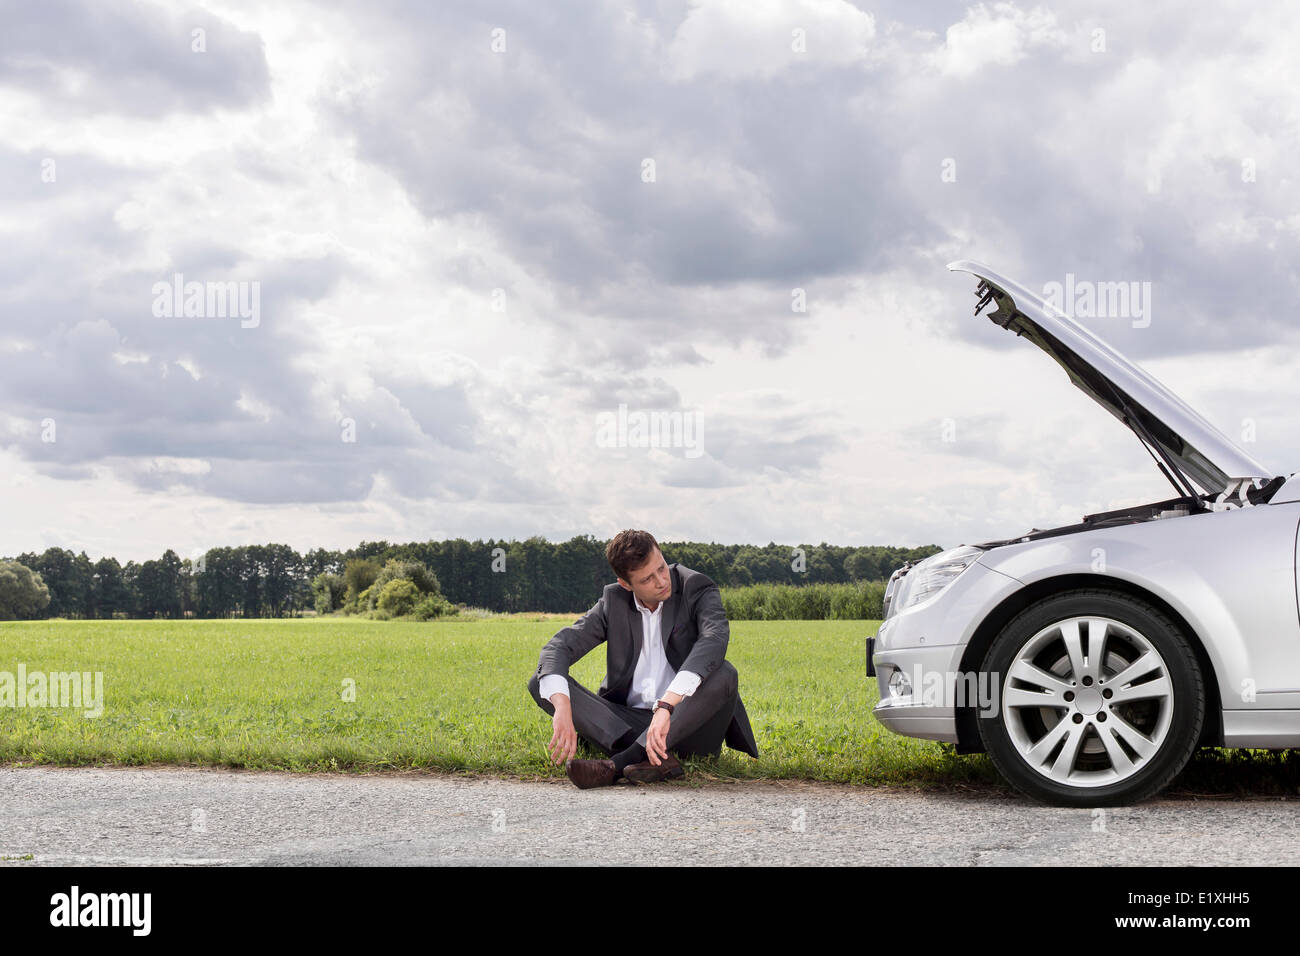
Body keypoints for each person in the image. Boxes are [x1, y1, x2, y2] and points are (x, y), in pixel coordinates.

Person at [527, 529, 759, 789]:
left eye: (661, 567)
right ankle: (658, 761)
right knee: (541, 682)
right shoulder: (613, 600)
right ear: (626, 584)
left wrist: (667, 706)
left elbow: (714, 640)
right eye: (648, 579)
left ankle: (618, 765)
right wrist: (561, 706)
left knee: (725, 673)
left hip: (691, 723)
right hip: (629, 726)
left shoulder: (696, 587)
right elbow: (559, 647)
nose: (661, 581)